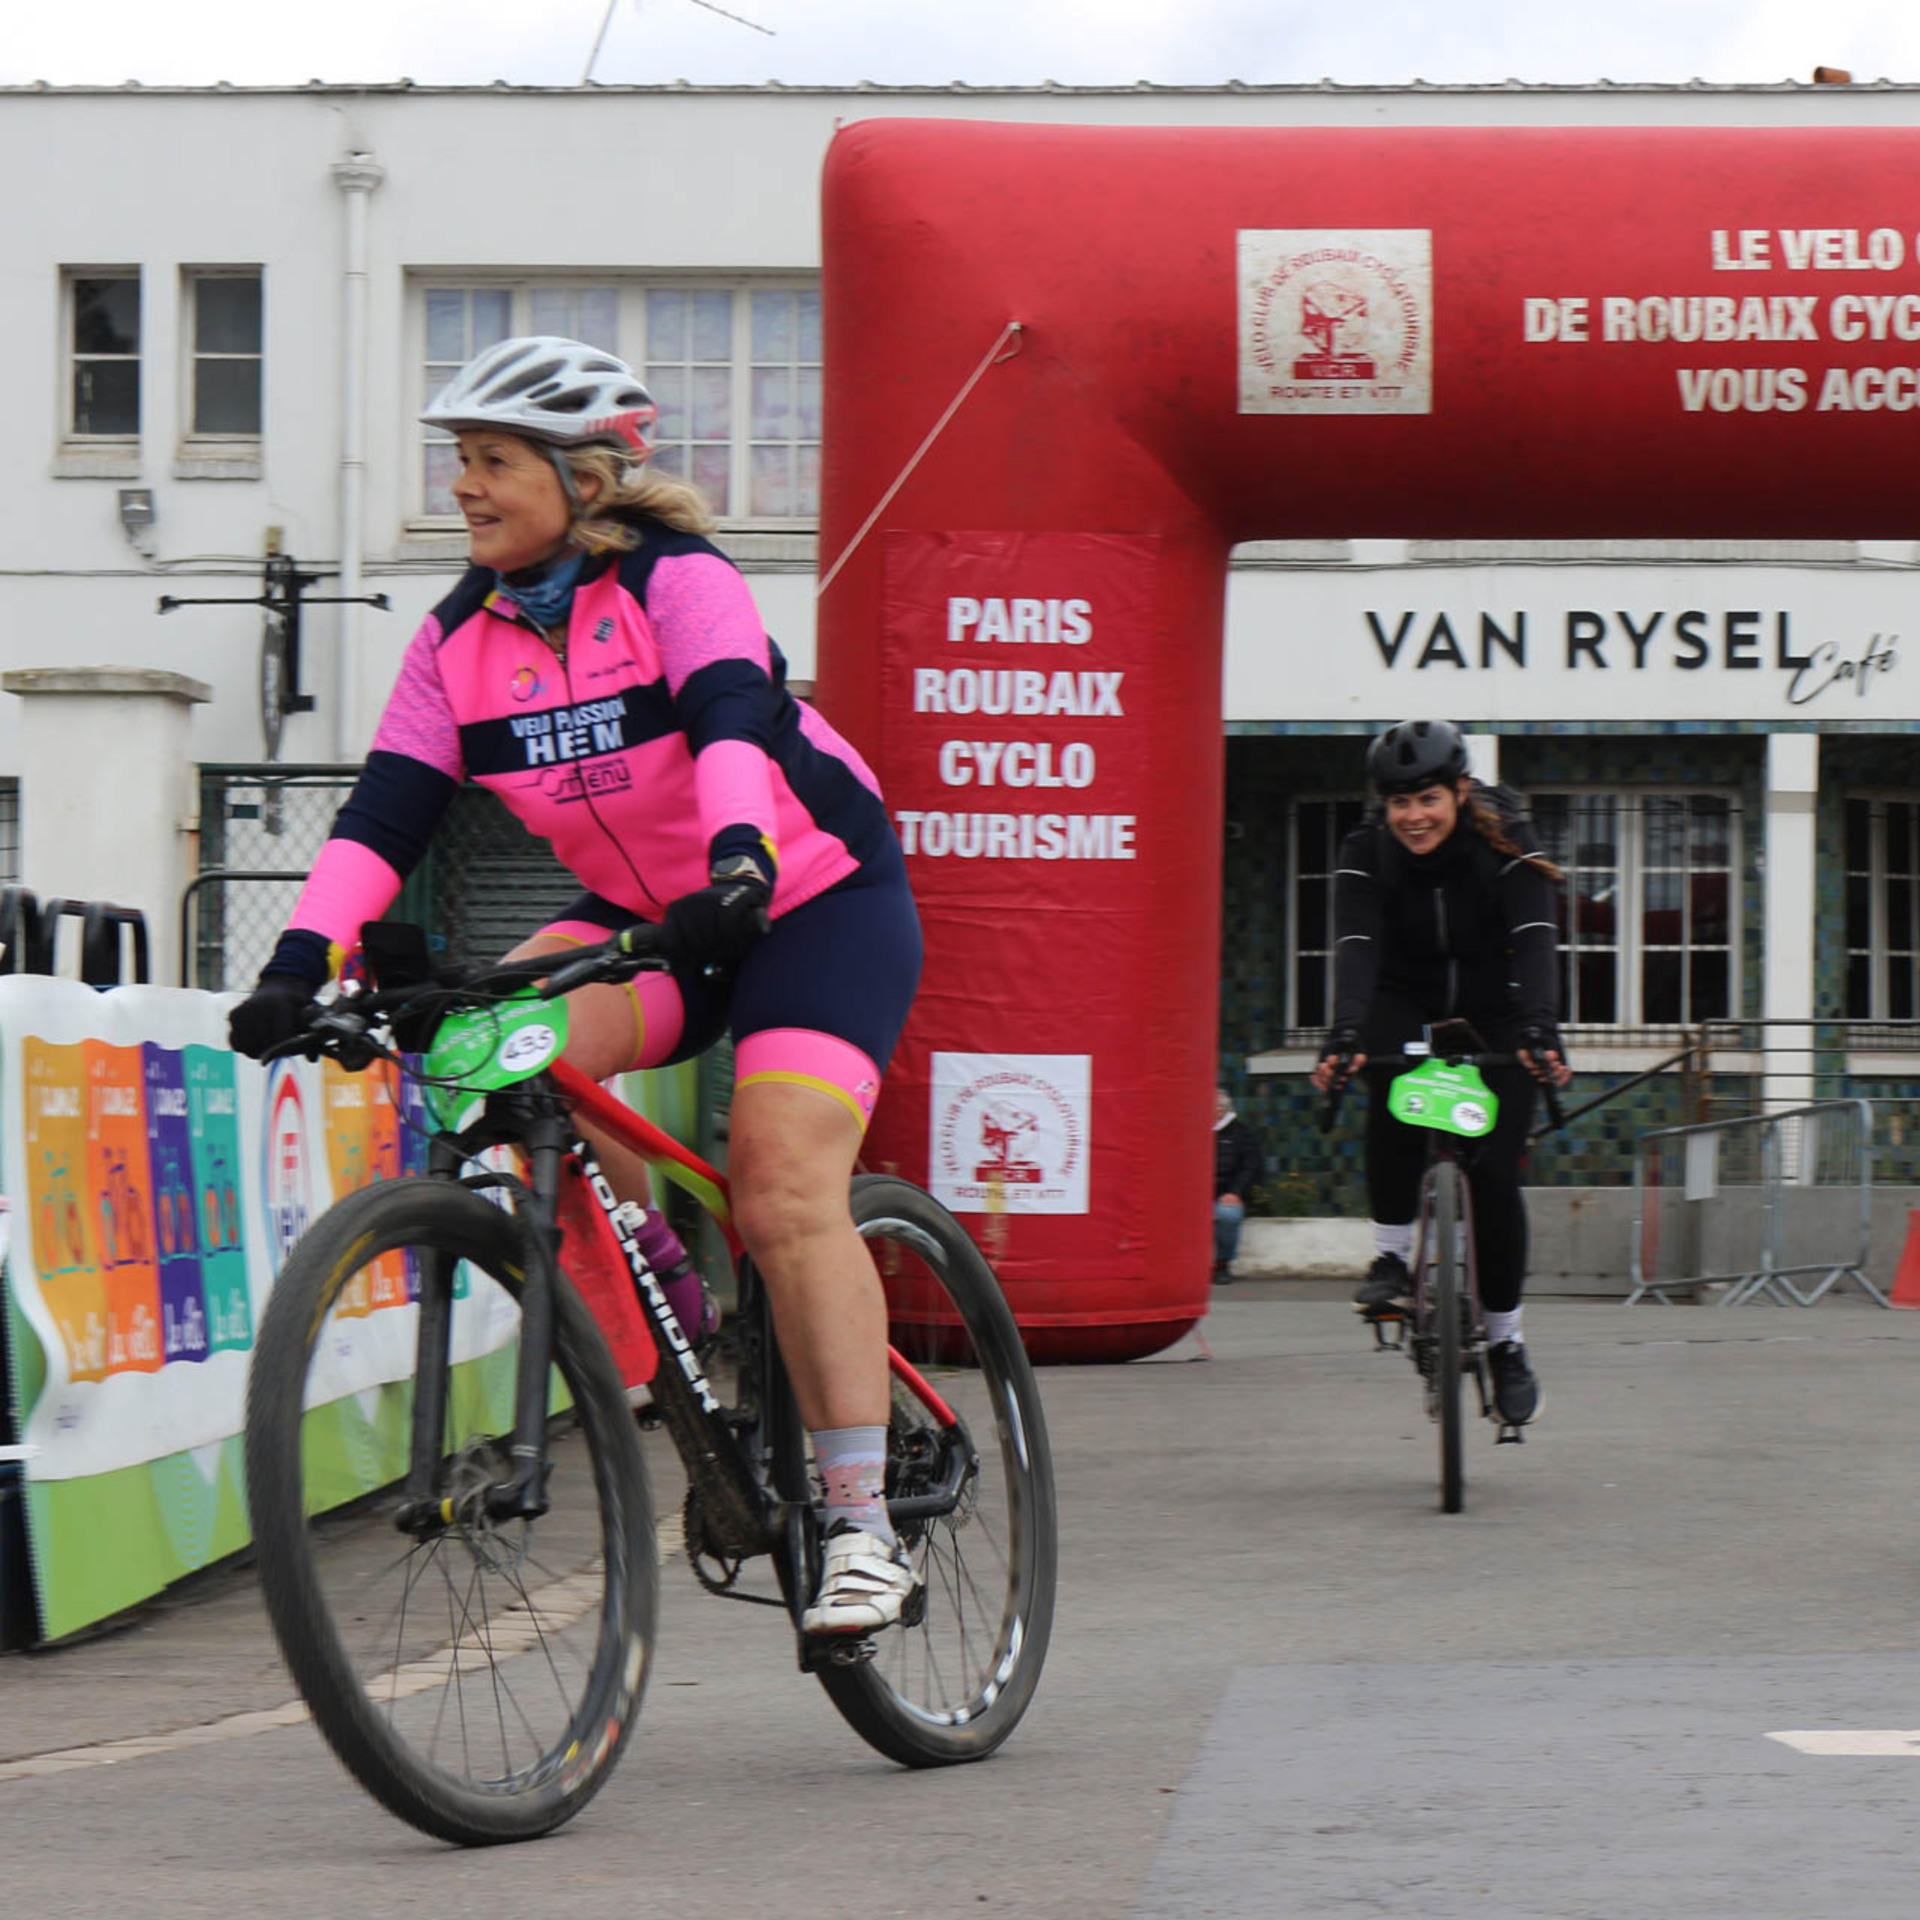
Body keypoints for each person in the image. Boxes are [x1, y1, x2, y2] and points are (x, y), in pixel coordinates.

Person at [228, 336, 924, 1635]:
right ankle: (670, 1287)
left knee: (781, 1182)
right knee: (498, 1037)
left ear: (585, 477)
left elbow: (728, 722)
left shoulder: (680, 584)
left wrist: (738, 858)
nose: (467, 489)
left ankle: (863, 1524)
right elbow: (384, 819)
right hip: (649, 912)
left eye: (494, 463)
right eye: (461, 463)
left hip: (809, 894)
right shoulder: (455, 644)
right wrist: (291, 964)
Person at [1307, 719, 1571, 1426]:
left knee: (1492, 1177)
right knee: (1394, 1090)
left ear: (1459, 790)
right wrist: (1348, 1027)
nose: (1413, 817)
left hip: (1500, 1010)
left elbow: (1536, 937)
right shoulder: (1367, 850)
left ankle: (1508, 1346)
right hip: (1406, 1005)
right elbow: (1357, 943)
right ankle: (1392, 1259)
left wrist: (1542, 1025)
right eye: (1398, 803)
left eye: (1426, 798)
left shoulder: (1508, 835)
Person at [1211, 1087, 1263, 1284]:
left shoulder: (1241, 1133)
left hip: (1227, 1194)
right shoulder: (1194, 1130)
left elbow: (1251, 1166)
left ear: (1221, 1109)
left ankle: (1222, 1264)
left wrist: (1236, 1192)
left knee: (1227, 1214)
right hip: (1196, 1195)